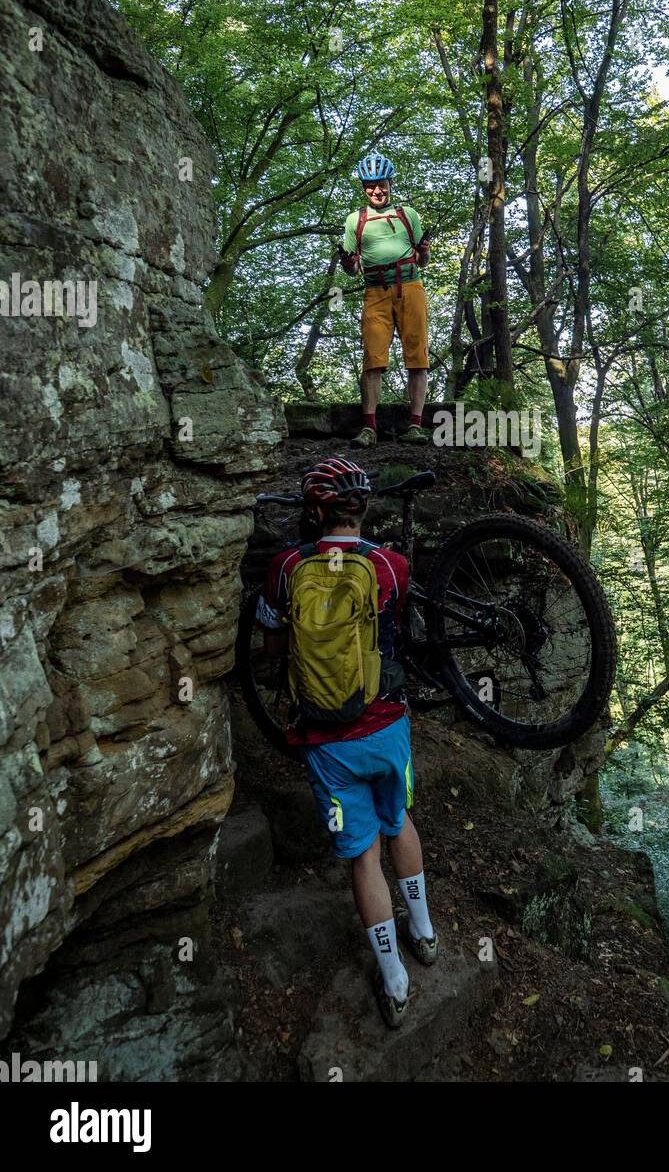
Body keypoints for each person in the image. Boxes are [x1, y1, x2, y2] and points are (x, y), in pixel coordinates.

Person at [256, 457, 438, 1028]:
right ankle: (425, 933)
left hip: (326, 742)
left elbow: (270, 650)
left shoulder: (284, 566)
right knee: (399, 821)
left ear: (314, 510)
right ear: (364, 508)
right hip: (387, 730)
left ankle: (394, 980)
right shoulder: (391, 567)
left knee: (363, 857)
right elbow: (389, 635)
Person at [341, 153, 432, 448]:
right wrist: (346, 261)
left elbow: (423, 260)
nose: (377, 191)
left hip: (410, 287)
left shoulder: (408, 215)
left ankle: (415, 425)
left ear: (390, 183)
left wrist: (425, 250)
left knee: (417, 357)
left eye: (381, 185)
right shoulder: (356, 220)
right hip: (375, 292)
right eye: (370, 186)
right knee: (373, 358)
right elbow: (353, 270)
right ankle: (369, 428)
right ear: (364, 187)